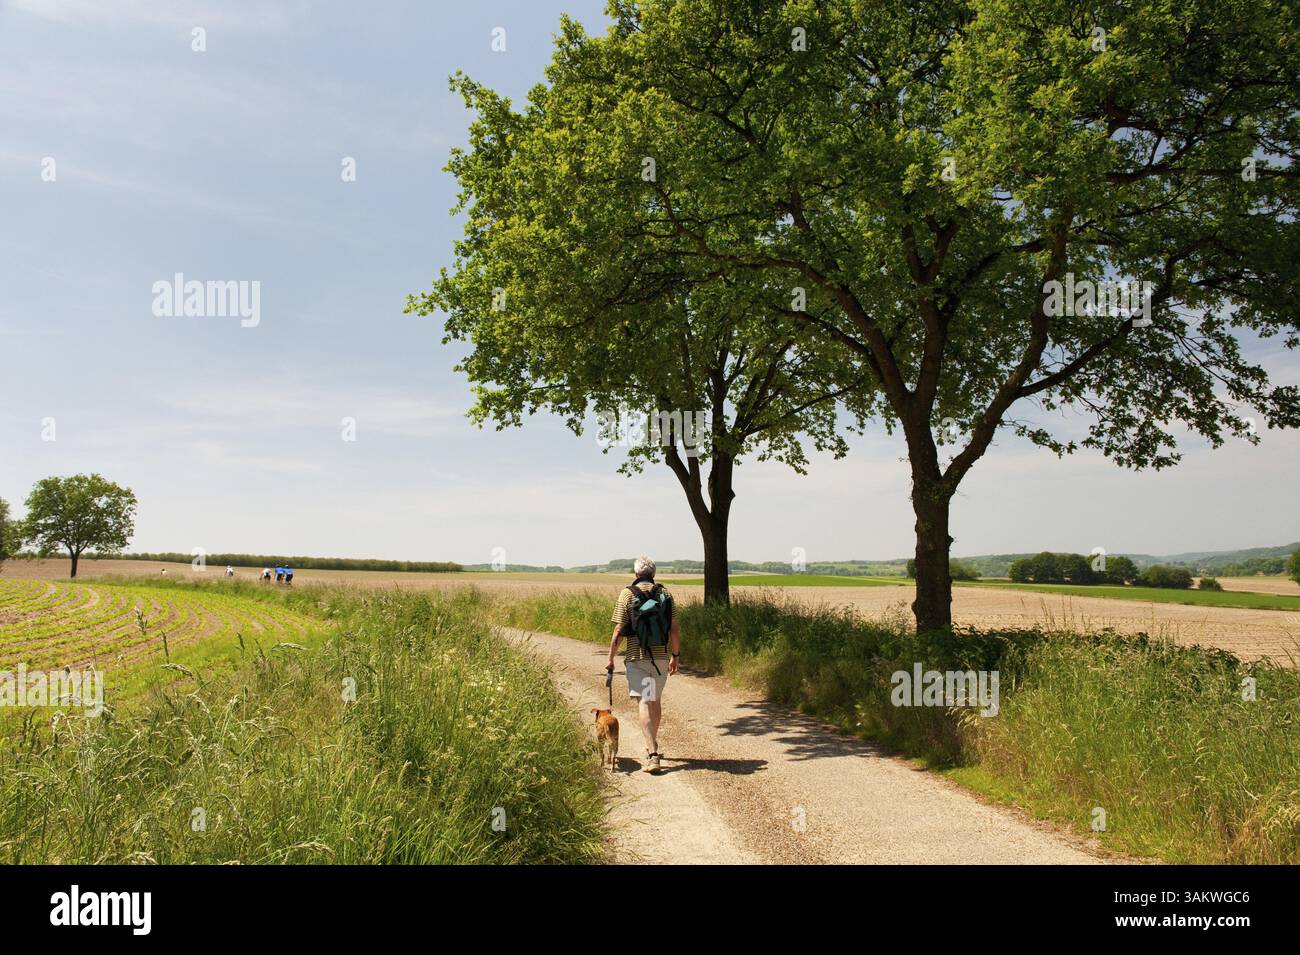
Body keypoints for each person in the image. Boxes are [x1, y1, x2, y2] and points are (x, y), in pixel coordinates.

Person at [606, 556, 680, 772]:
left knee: (646, 701)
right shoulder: (665, 594)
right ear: (654, 574)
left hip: (638, 657)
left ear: (636, 574)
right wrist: (676, 655)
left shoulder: (627, 593)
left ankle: (653, 753)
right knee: (654, 700)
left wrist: (610, 658)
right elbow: (674, 629)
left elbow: (619, 630)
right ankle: (652, 744)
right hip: (660, 657)